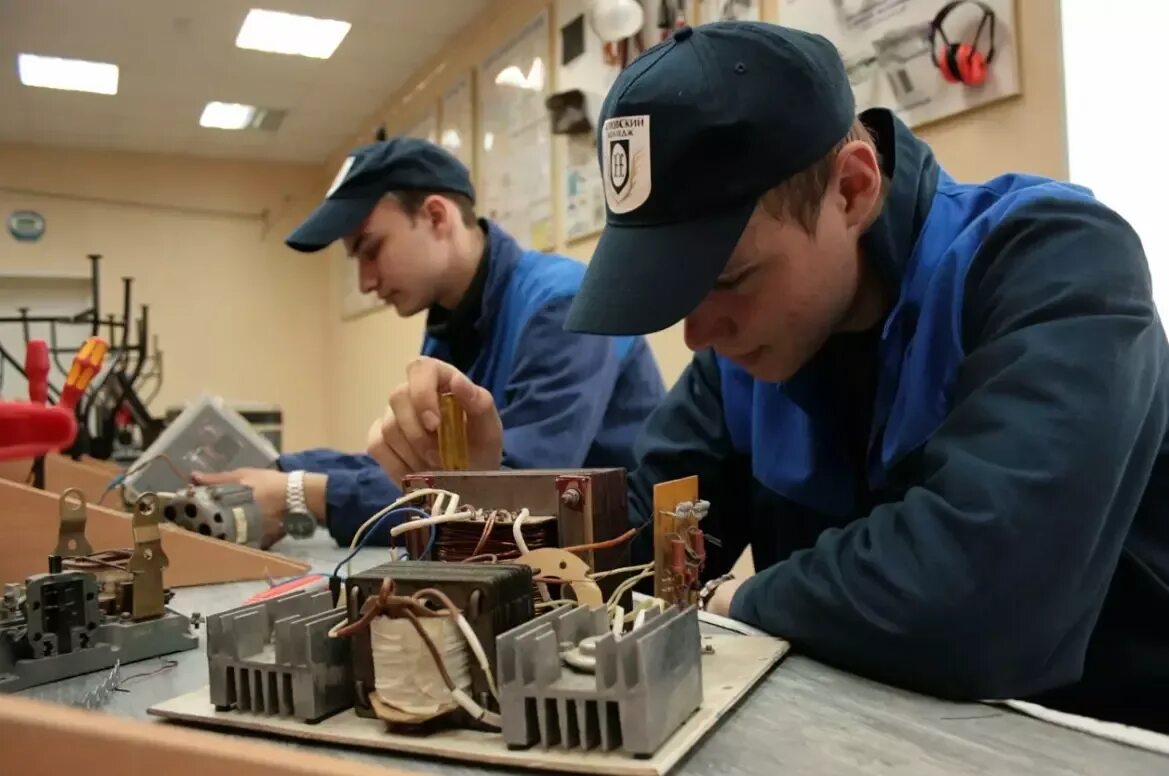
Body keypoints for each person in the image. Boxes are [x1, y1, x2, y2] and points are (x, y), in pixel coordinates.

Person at [367, 22, 1169, 730]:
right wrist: (480, 494)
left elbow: (985, 598)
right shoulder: (747, 352)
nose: (697, 333)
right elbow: (625, 555)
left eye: (727, 279)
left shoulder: (1054, 261)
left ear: (851, 188)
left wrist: (741, 599)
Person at [195, 137, 665, 549]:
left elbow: (513, 495)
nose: (364, 282)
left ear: (436, 216)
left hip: (616, 578)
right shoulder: (449, 324)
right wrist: (277, 467)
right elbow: (418, 470)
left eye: (371, 248)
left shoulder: (561, 305)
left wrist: (304, 494)